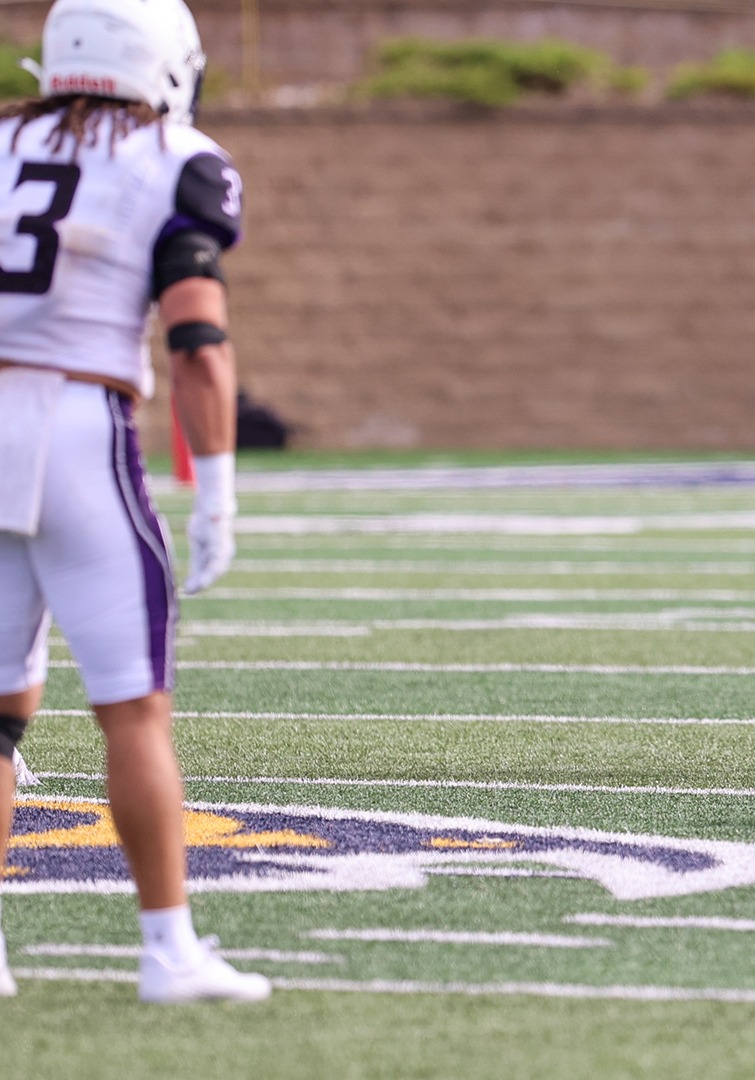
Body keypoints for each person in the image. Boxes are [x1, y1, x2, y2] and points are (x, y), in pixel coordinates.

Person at [0, 0, 268, 1002]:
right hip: (77, 429)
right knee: (133, 709)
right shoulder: (176, 154)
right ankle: (168, 950)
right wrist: (221, 490)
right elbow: (197, 339)